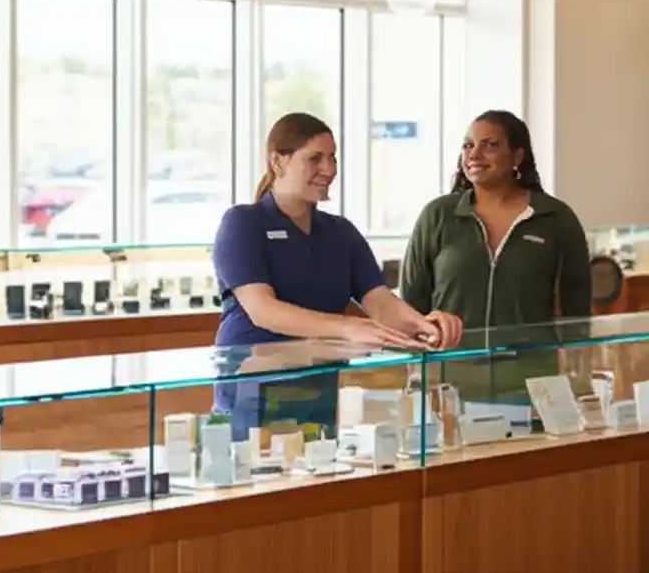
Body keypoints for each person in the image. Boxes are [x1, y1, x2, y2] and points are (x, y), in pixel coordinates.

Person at [212, 112, 463, 436]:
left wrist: (425, 325)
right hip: (255, 386)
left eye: (332, 158)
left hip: (319, 387)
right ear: (278, 161)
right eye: (315, 158)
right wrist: (347, 328)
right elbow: (264, 311)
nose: (329, 170)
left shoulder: (340, 233)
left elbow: (381, 304)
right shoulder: (243, 224)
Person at [401, 110, 591, 406]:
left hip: (533, 386)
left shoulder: (556, 219)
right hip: (452, 385)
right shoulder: (438, 216)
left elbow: (577, 313)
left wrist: (580, 385)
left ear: (517, 156)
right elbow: (412, 306)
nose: (474, 154)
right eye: (467, 146)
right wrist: (417, 381)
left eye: (489, 145)